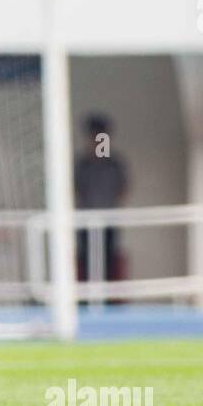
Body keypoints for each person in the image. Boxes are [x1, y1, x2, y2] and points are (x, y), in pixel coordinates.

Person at [74, 113, 129, 282]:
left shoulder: (114, 163)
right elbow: (75, 188)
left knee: (108, 261)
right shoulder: (82, 164)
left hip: (109, 220)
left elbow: (122, 188)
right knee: (86, 260)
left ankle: (106, 301)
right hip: (86, 220)